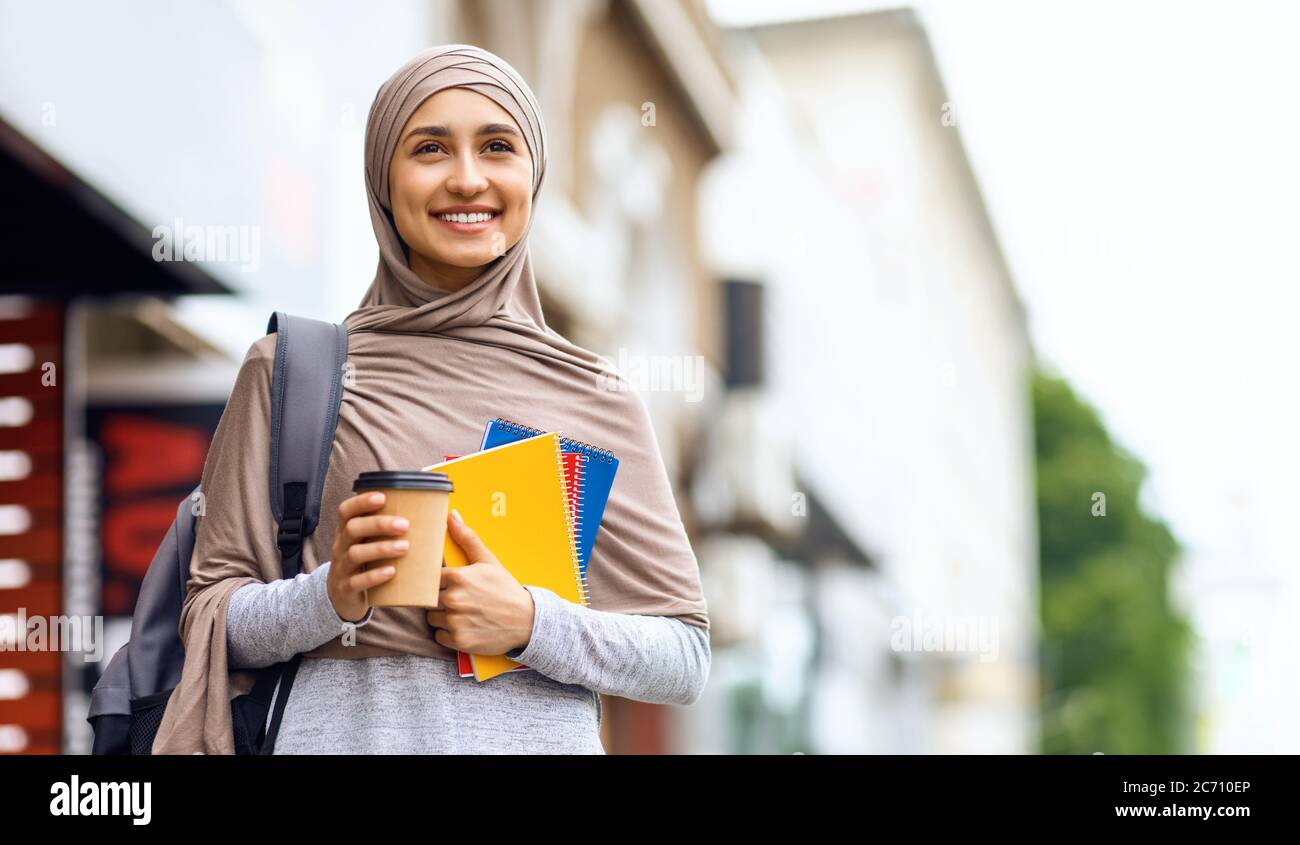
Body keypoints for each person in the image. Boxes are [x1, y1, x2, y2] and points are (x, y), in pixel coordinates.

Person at [150, 44, 711, 755]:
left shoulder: (596, 393)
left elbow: (684, 654)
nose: (468, 179)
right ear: (383, 179)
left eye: (498, 146)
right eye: (430, 148)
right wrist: (329, 596)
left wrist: (532, 622)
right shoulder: (292, 372)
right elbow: (209, 615)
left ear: (533, 175)